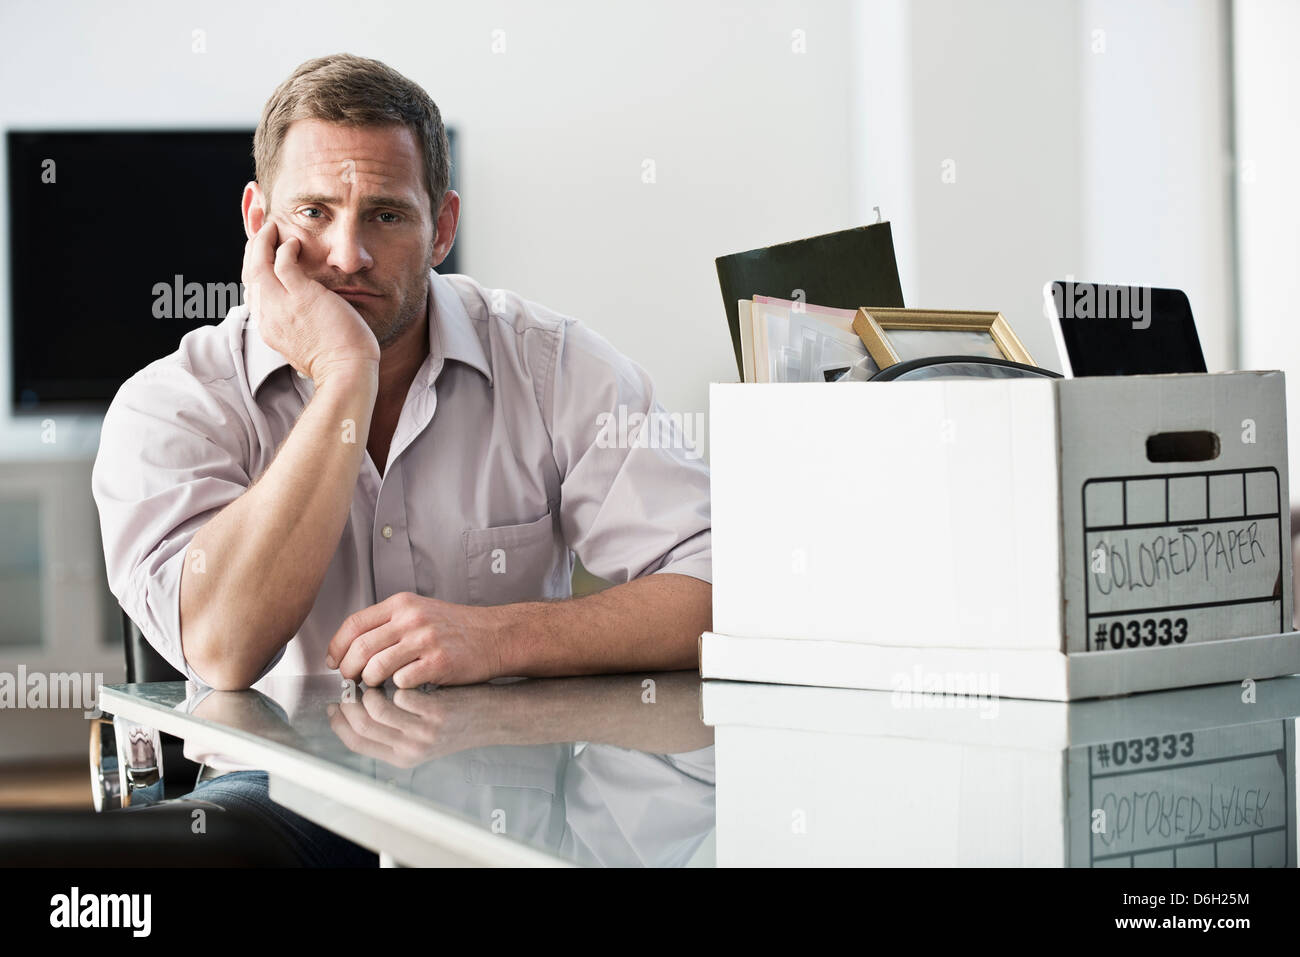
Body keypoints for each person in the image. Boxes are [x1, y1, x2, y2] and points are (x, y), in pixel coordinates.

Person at [92, 53, 712, 865]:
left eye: (386, 215)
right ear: (258, 220)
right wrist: (345, 374)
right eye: (313, 212)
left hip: (506, 812)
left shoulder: (550, 364)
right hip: (277, 811)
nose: (347, 255)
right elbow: (222, 646)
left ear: (443, 227)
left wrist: (499, 639)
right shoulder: (173, 403)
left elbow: (719, 586)